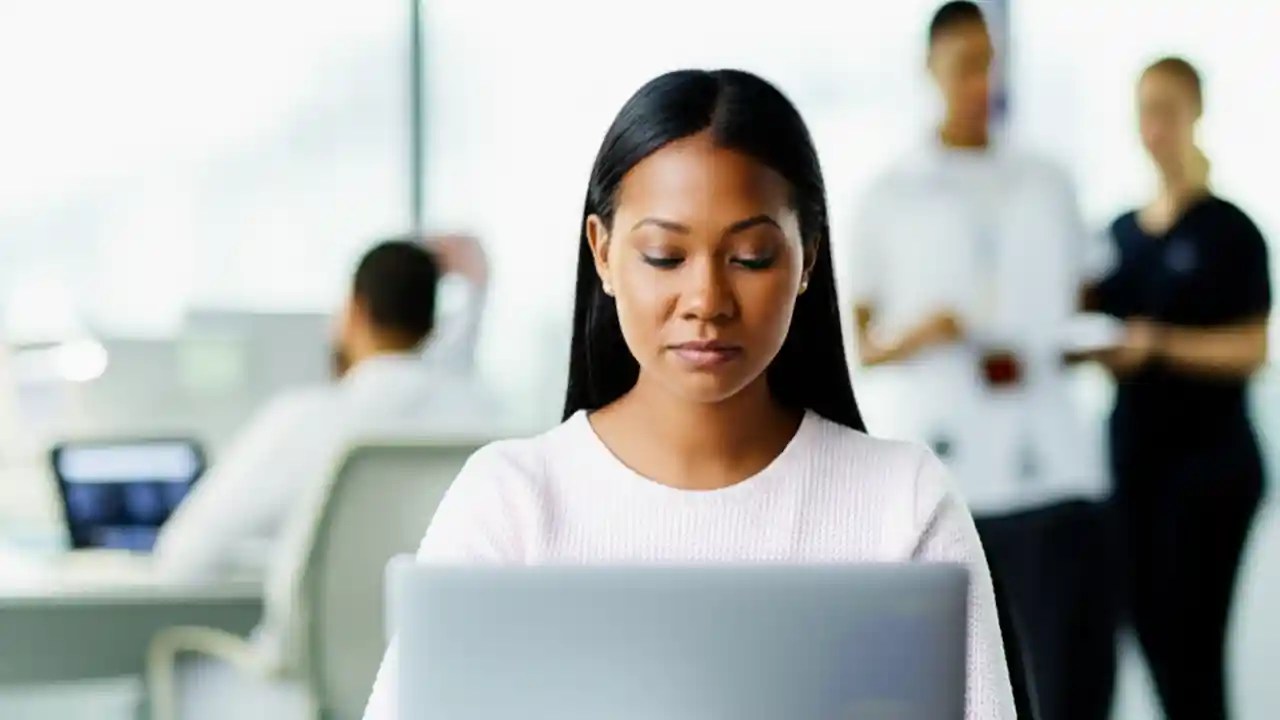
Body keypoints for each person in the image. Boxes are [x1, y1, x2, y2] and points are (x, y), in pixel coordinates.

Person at [361, 69, 1015, 720]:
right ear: (604, 253)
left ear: (808, 257)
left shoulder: (904, 503)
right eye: (665, 257)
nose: (706, 302)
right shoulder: (511, 503)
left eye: (752, 256)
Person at [849, 3, 1115, 719]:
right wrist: (919, 332)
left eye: (988, 62)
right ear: (930, 68)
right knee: (959, 681)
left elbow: (1088, 300)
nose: (978, 79)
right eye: (964, 62)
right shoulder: (888, 194)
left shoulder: (1048, 179)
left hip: (1052, 460)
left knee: (1065, 677)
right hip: (952, 466)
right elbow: (863, 347)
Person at [1087, 56, 1271, 720]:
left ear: (1195, 113)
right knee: (1149, 636)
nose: (1155, 126)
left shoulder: (1230, 230)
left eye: (1167, 109)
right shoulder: (1119, 235)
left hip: (1210, 471)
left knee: (1194, 651)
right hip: (1137, 466)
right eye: (1144, 111)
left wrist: (1159, 344)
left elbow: (1253, 348)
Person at [153, 235, 493, 581]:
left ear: (355, 311)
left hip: (311, 637)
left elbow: (182, 556)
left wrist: (289, 561)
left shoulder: (301, 423)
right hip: (431, 636)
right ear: (432, 324)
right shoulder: (479, 426)